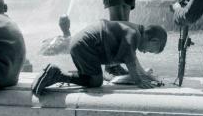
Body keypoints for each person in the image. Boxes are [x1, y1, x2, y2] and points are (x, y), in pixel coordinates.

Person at [31, 20, 167, 96]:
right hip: (85, 46)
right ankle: (57, 75)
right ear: (154, 40)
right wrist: (138, 81)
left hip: (82, 44)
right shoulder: (134, 34)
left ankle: (59, 74)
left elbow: (134, 61)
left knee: (90, 78)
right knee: (95, 82)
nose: (146, 52)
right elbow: (130, 60)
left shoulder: (134, 31)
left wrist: (147, 77)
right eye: (151, 50)